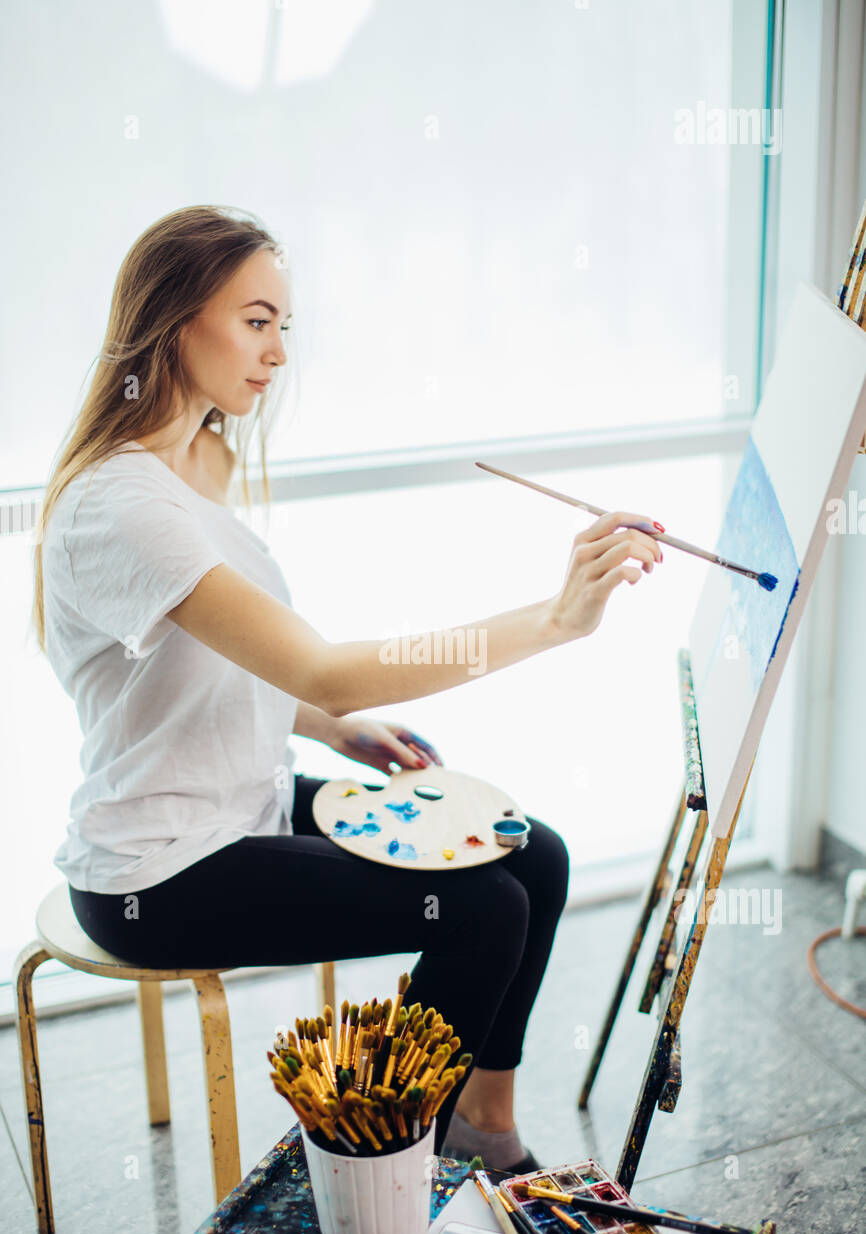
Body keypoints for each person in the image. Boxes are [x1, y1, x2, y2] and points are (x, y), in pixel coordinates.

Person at [33, 205, 662, 1171]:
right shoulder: (118, 505)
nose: (278, 351)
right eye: (256, 319)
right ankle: (362, 1165)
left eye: (285, 325)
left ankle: (478, 1128)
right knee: (484, 908)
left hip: (241, 806)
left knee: (533, 858)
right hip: (154, 872)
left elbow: (211, 662)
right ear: (174, 315)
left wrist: (329, 728)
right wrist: (553, 620)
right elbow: (317, 659)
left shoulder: (189, 465)